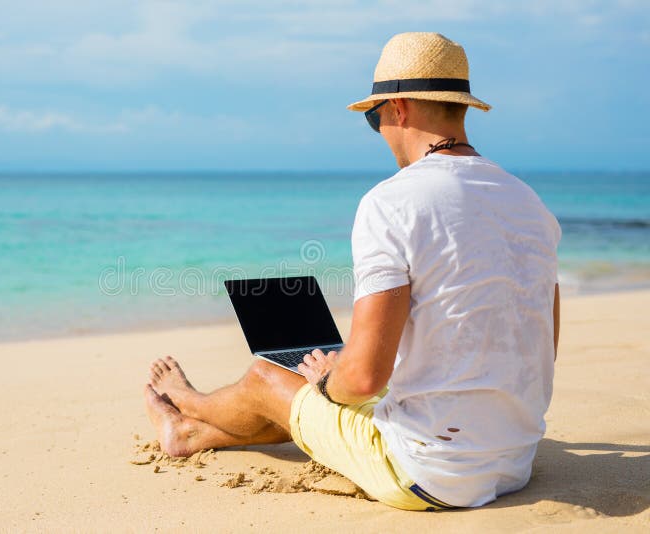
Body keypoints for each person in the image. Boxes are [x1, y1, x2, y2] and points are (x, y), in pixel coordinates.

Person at [143, 32, 561, 510]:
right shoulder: (529, 204)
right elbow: (539, 347)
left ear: (398, 108)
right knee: (329, 390)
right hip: (515, 461)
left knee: (267, 377)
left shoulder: (393, 202)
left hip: (429, 473)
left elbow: (362, 380)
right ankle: (192, 434)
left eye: (373, 117)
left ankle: (188, 404)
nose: (379, 130)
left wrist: (331, 379)